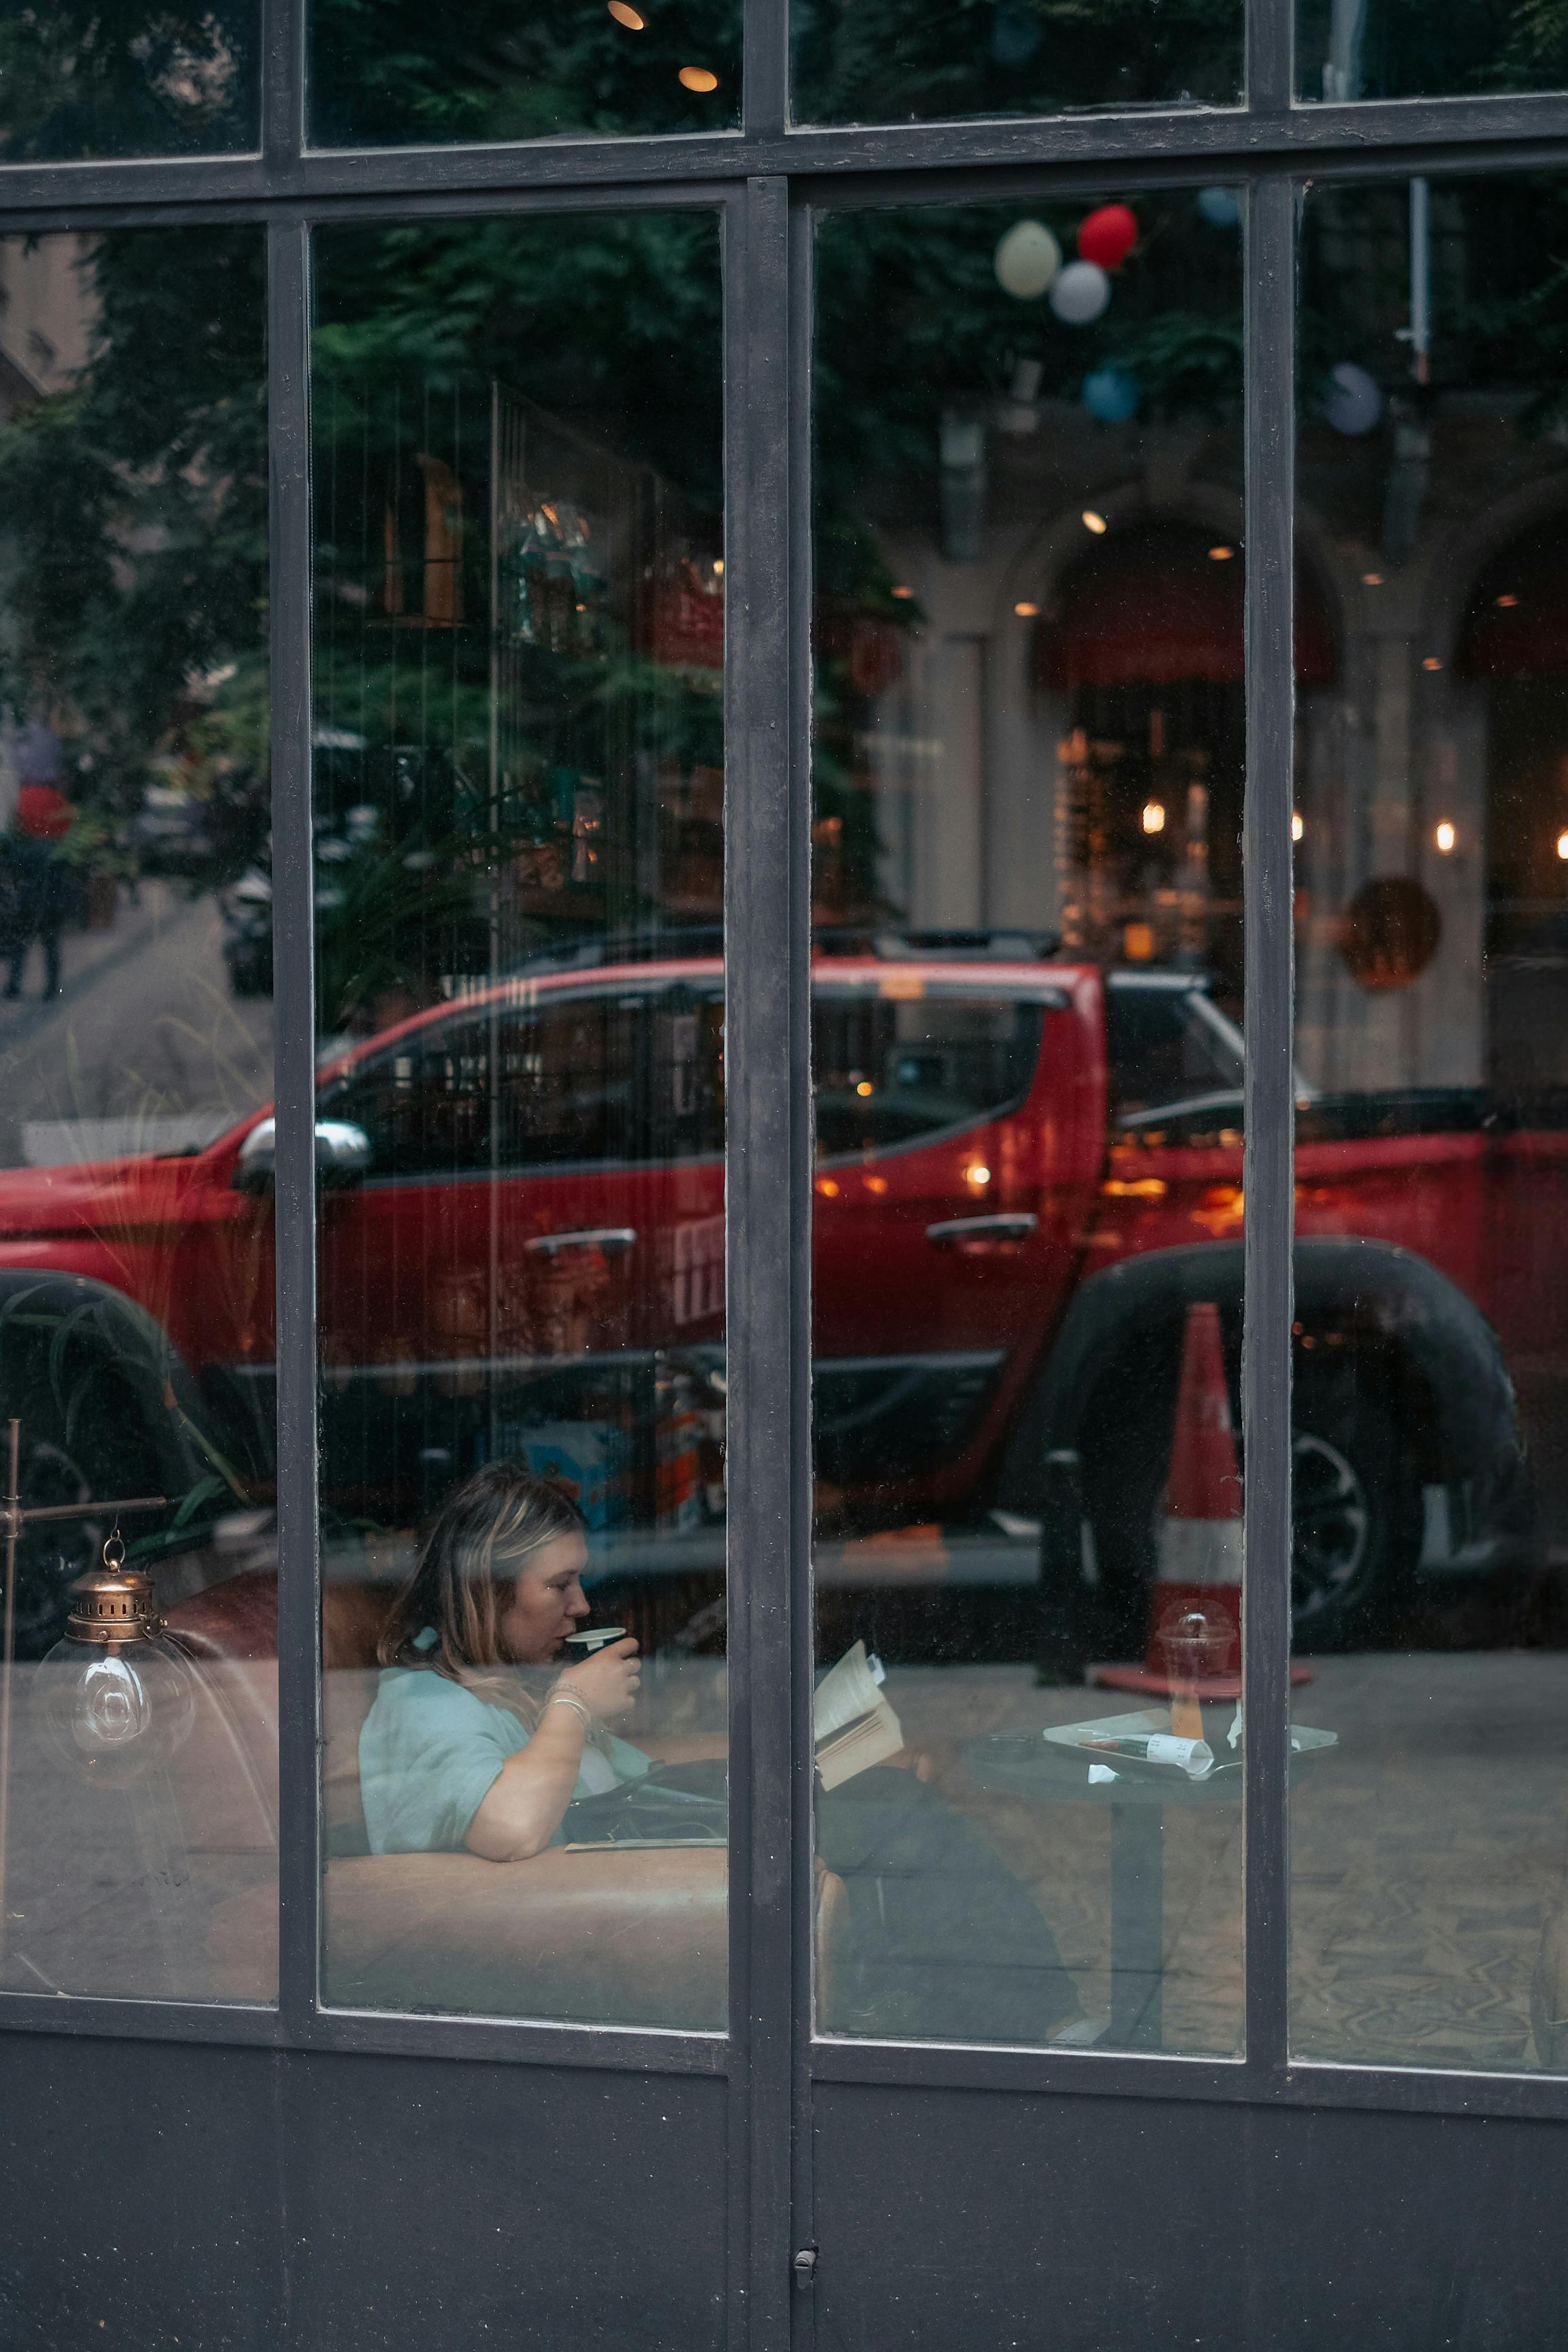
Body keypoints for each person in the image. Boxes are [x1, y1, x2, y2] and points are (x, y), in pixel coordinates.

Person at [360, 1460, 1082, 2044]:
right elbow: (510, 1827)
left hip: (648, 1818)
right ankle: (1037, 2025)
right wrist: (574, 1704)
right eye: (558, 1584)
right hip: (624, 1854)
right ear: (487, 1589)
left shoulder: (504, 1682)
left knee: (877, 1789)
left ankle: (1005, 2019)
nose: (580, 1605)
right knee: (893, 1813)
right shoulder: (423, 1703)